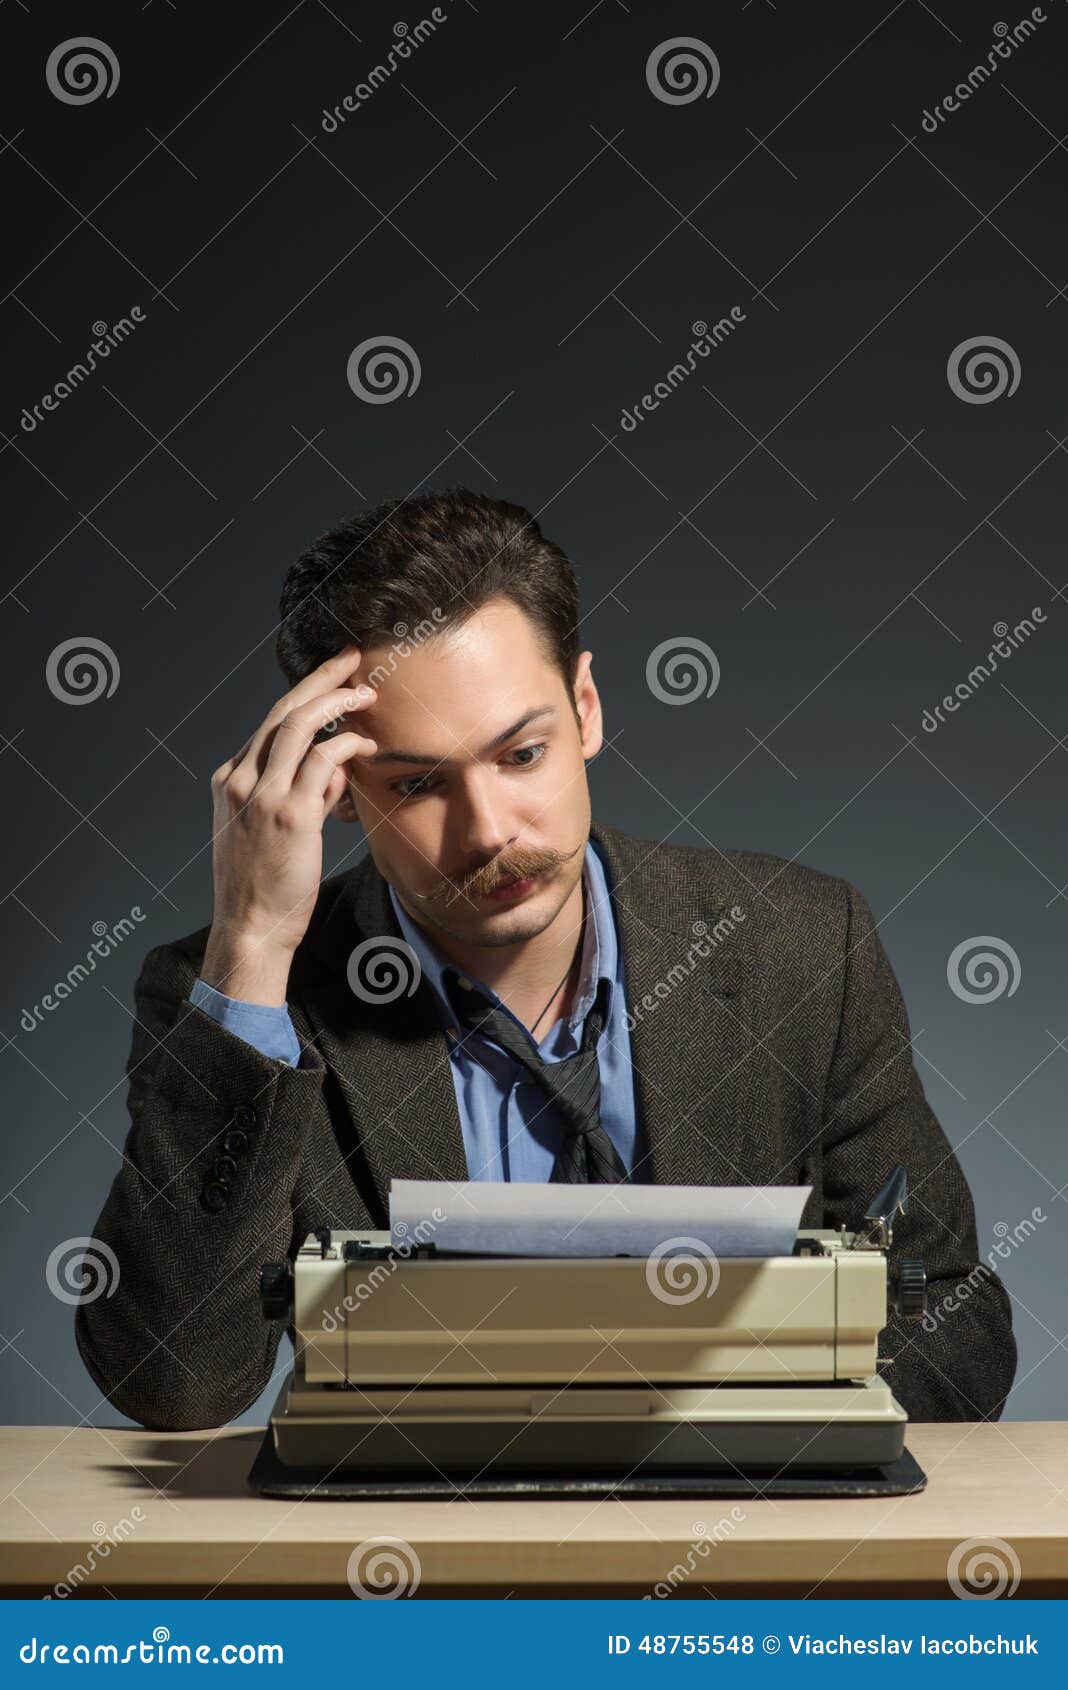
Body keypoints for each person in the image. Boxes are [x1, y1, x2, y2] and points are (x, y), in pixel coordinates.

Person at [76, 486, 1016, 1432]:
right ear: (339, 791)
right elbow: (174, 1382)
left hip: (737, 1542)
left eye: (521, 754)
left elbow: (956, 1321)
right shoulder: (244, 997)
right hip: (417, 1557)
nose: (489, 833)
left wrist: (708, 1457)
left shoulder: (804, 948)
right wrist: (253, 948)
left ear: (586, 708)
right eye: (417, 784)